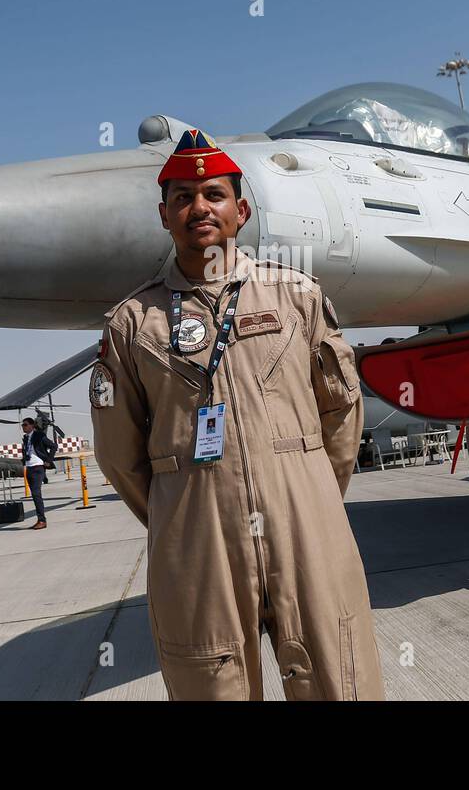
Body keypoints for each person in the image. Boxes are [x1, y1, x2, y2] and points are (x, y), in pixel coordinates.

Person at [91, 128, 383, 701]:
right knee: (211, 680)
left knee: (336, 671)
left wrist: (309, 490)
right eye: (182, 197)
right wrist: (182, 511)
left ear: (240, 210)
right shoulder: (131, 323)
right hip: (198, 538)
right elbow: (118, 453)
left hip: (305, 520)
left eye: (214, 194)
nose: (199, 207)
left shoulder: (295, 296)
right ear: (164, 214)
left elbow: (341, 416)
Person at [20, 417, 55, 530]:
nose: (23, 427)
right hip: (29, 468)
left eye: (25, 425)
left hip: (38, 467)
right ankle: (40, 520)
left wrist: (49, 461)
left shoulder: (39, 435)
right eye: (22, 425)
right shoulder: (25, 438)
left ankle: (42, 521)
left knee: (36, 494)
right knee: (35, 495)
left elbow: (54, 446)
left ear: (32, 425)